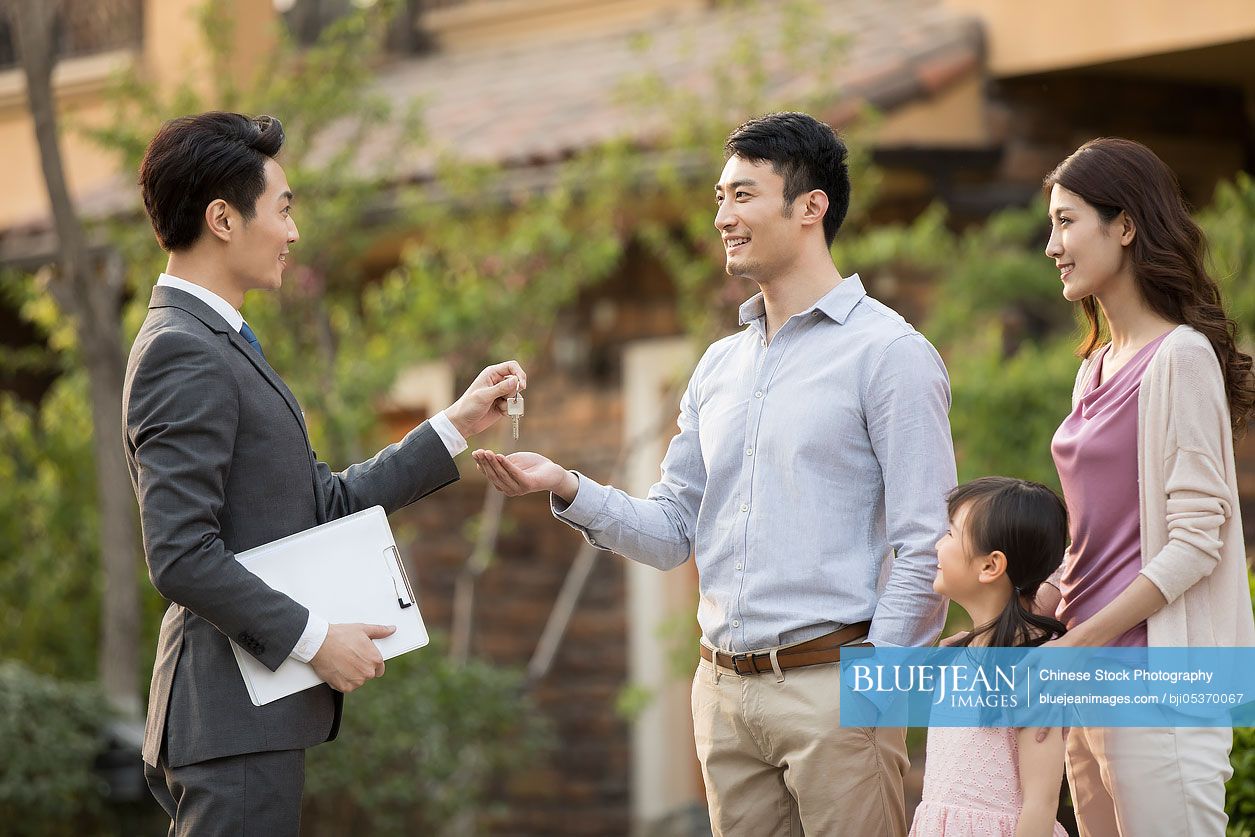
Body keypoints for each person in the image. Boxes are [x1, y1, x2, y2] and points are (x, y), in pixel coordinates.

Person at [472, 111, 956, 836]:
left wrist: (873, 692)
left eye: (742, 196)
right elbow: (672, 531)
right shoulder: (717, 366)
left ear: (809, 207)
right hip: (722, 695)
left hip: (835, 690)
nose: (722, 217)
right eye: (719, 199)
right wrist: (564, 484)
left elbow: (926, 542)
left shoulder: (889, 353)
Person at [125, 111, 525, 835]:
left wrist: (456, 423)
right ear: (222, 218)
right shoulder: (183, 351)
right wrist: (313, 638)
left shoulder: (218, 342)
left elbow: (322, 500)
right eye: (283, 208)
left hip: (250, 722)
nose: (292, 232)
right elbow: (180, 553)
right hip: (230, 719)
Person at [1039, 137, 1255, 836]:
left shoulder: (1180, 358)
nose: (1052, 245)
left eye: (1066, 221)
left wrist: (1084, 639)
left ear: (1124, 226)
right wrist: (1026, 603)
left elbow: (1197, 540)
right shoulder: (1093, 367)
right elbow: (1096, 536)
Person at [914, 477, 1069, 837]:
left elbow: (1041, 803)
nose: (938, 544)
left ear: (990, 566)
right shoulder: (955, 656)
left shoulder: (1031, 673)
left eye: (951, 534)